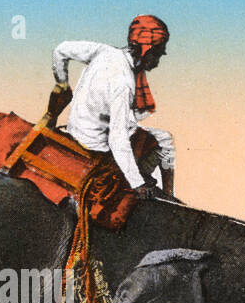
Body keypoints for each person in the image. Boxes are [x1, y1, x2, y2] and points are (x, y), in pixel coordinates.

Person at [50, 15, 176, 199]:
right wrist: (138, 184)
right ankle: (168, 196)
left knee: (148, 132)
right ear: (147, 51)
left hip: (76, 130)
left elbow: (61, 50)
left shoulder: (104, 51)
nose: (158, 60)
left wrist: (62, 83)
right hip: (95, 147)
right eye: (158, 53)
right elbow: (117, 139)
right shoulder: (124, 83)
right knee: (165, 141)